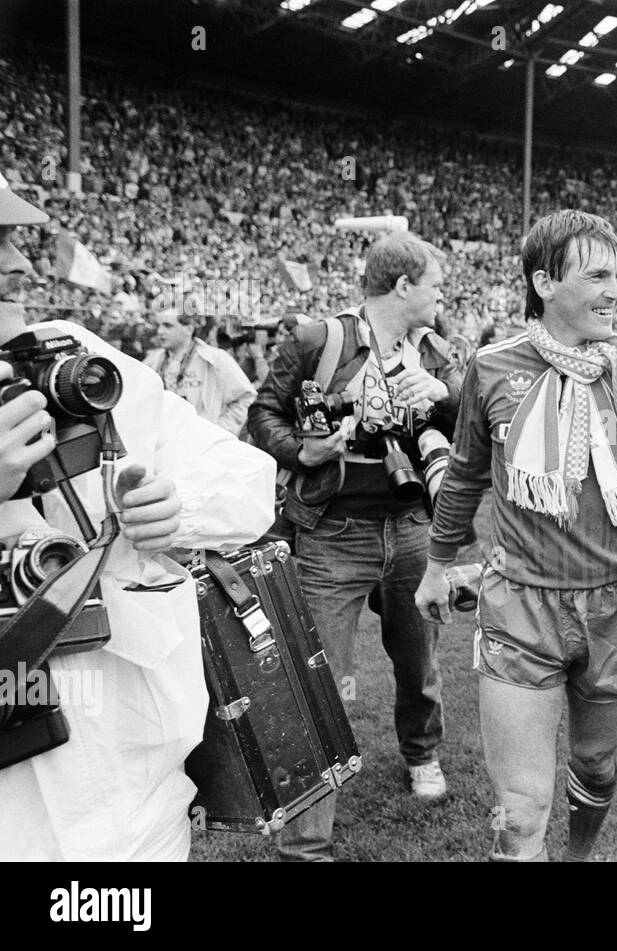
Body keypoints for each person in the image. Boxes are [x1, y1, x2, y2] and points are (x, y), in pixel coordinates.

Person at [414, 210, 617, 862]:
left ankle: (579, 855)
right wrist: (436, 564)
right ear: (543, 280)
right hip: (519, 604)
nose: (615, 290)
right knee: (520, 811)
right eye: (597, 274)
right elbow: (463, 478)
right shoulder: (490, 368)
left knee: (594, 767)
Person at [0, 182, 276, 860]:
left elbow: (250, 486)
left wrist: (174, 504)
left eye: (12, 239)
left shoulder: (73, 362)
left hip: (134, 780)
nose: (19, 264)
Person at [248, 232, 463, 862]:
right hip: (331, 534)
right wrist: (302, 450)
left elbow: (474, 420)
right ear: (403, 287)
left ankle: (422, 756)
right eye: (435, 284)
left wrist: (445, 395)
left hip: (412, 529)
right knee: (318, 683)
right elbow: (264, 414)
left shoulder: (438, 350)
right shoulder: (320, 340)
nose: (441, 295)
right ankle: (307, 845)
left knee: (419, 664)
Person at [144, 309, 256, 435]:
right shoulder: (152, 361)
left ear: (189, 329)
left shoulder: (216, 359)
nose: (160, 331)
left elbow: (246, 397)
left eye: (168, 326)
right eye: (158, 326)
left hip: (203, 444)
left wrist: (219, 432)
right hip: (164, 442)